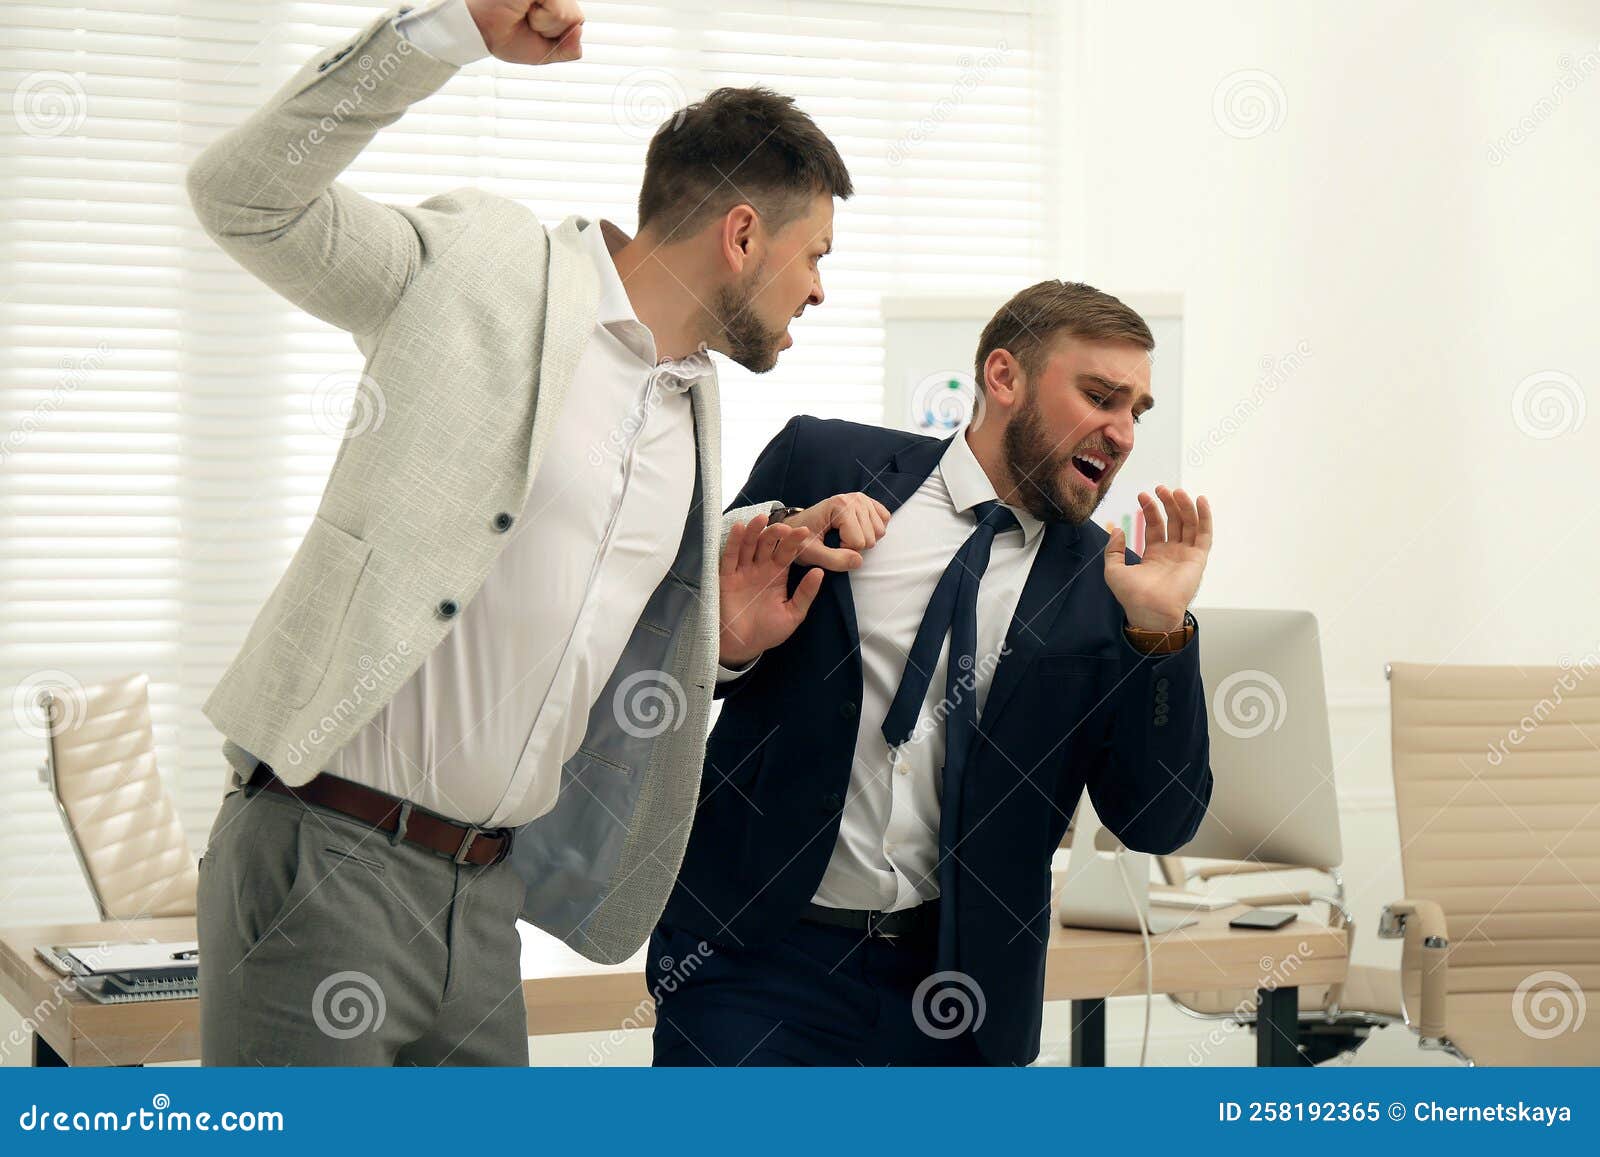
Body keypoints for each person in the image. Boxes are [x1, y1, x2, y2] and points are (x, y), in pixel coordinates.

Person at [186, 0, 865, 1064]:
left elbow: (565, 620)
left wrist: (716, 640)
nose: (820, 288)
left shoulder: (688, 408)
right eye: (813, 253)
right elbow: (244, 200)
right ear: (743, 236)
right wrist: (444, 32)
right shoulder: (482, 266)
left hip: (483, 895)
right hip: (328, 854)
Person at [651, 280, 1217, 1066]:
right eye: (1100, 396)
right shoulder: (819, 461)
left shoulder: (1112, 587)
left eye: (1136, 412)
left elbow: (1158, 822)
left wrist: (1159, 634)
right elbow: (667, 656)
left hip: (957, 1001)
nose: (1121, 432)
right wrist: (729, 648)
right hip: (753, 965)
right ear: (1004, 377)